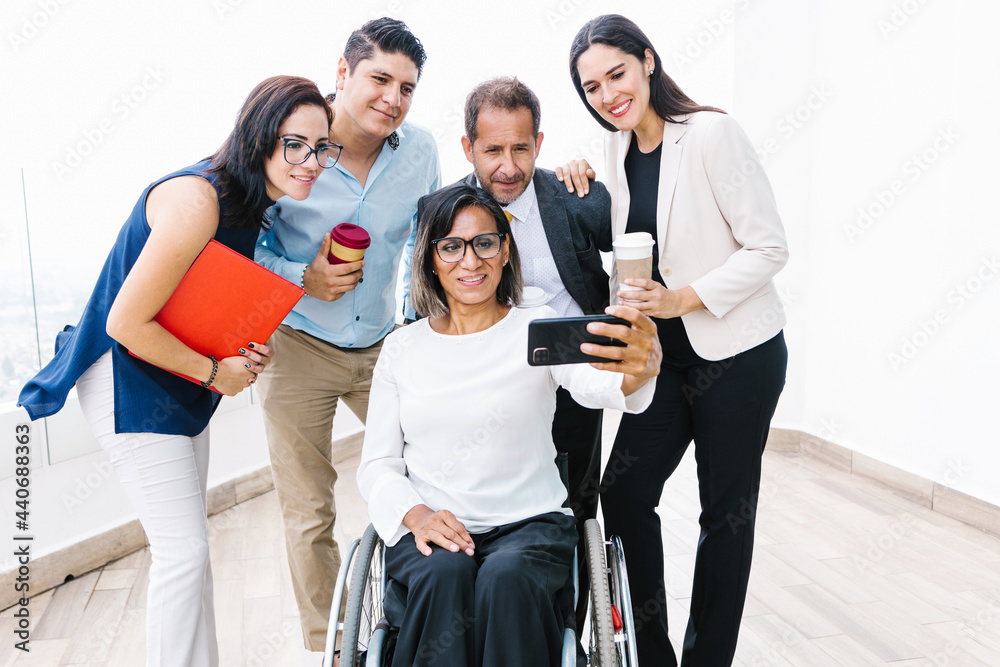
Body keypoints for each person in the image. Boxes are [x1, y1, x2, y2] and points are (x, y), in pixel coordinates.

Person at [17, 76, 335, 667]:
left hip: (176, 380)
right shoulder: (197, 201)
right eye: (297, 144)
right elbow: (126, 323)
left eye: (322, 147)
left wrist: (243, 350)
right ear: (260, 135)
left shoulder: (251, 207)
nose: (312, 161)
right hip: (124, 380)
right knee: (181, 553)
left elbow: (195, 305)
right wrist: (218, 373)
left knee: (190, 555)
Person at [562, 14, 790, 667]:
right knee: (624, 495)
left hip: (738, 356)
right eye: (592, 87)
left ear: (648, 61)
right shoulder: (613, 150)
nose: (608, 94)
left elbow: (770, 246)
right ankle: (654, 657)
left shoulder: (711, 134)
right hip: (662, 361)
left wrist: (681, 299)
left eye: (617, 74)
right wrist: (570, 171)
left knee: (725, 514)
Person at [357, 184, 661, 667]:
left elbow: (597, 386)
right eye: (451, 246)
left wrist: (641, 367)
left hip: (530, 525)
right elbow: (377, 466)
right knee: (444, 574)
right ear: (431, 260)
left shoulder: (536, 328)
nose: (470, 261)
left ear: (504, 251)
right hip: (433, 524)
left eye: (484, 243)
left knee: (507, 577)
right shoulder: (402, 349)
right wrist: (416, 516)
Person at [253, 17, 440, 652]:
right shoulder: (292, 142)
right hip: (296, 346)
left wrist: (419, 322)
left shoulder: (419, 150)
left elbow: (424, 235)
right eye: (380, 79)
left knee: (429, 477)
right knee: (309, 510)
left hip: (384, 346)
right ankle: (334, 646)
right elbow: (243, 240)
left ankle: (418, 626)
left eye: (407, 87)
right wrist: (301, 277)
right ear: (343, 73)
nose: (393, 98)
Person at [429, 75, 613, 638]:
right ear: (468, 149)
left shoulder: (578, 200)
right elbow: (425, 303)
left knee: (576, 505)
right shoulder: (443, 213)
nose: (507, 167)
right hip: (492, 387)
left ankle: (567, 632)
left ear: (538, 142)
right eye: (492, 151)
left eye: (521, 148)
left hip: (573, 376)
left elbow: (643, 241)